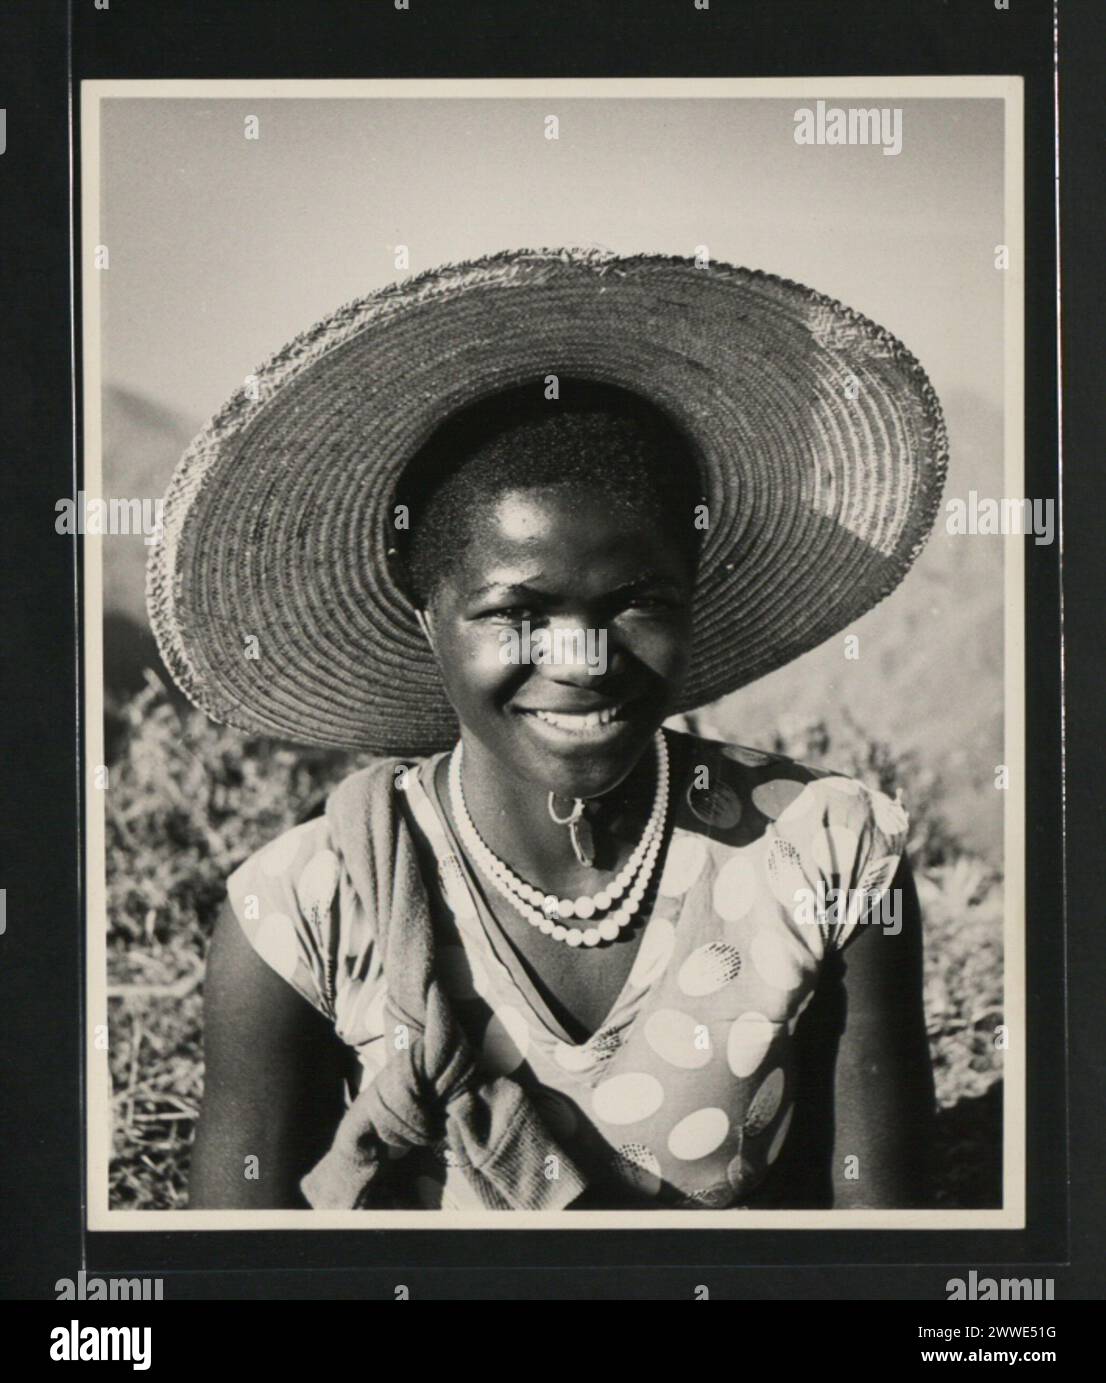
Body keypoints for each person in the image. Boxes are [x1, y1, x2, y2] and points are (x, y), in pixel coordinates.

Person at [148, 249, 944, 1211]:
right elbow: (239, 1270)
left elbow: (885, 1238)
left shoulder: (822, 851)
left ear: (693, 603)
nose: (579, 659)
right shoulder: (306, 910)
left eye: (637, 600)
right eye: (513, 612)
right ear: (425, 620)